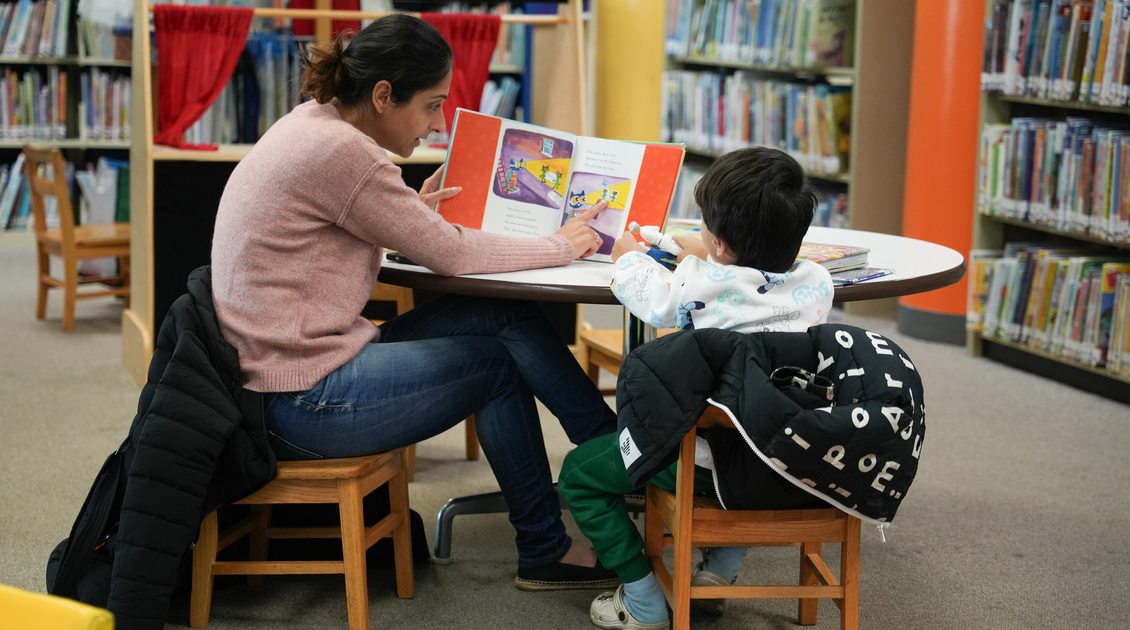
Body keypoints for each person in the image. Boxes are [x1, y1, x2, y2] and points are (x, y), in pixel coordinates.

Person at [210, 14, 621, 590]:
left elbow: (319, 244)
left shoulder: (311, 123)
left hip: (283, 370)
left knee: (506, 315)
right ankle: (551, 541)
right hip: (298, 400)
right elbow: (450, 256)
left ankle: (614, 454)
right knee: (497, 367)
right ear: (382, 96)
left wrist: (409, 219)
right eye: (431, 105)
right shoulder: (343, 153)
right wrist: (562, 244)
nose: (436, 124)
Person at [558, 147, 836, 629]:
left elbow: (651, 294)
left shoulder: (693, 284)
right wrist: (713, 252)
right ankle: (718, 576)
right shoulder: (819, 281)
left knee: (579, 474)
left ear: (721, 244)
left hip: (705, 463)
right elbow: (748, 280)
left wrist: (628, 259)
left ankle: (643, 599)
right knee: (755, 434)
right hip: (782, 457)